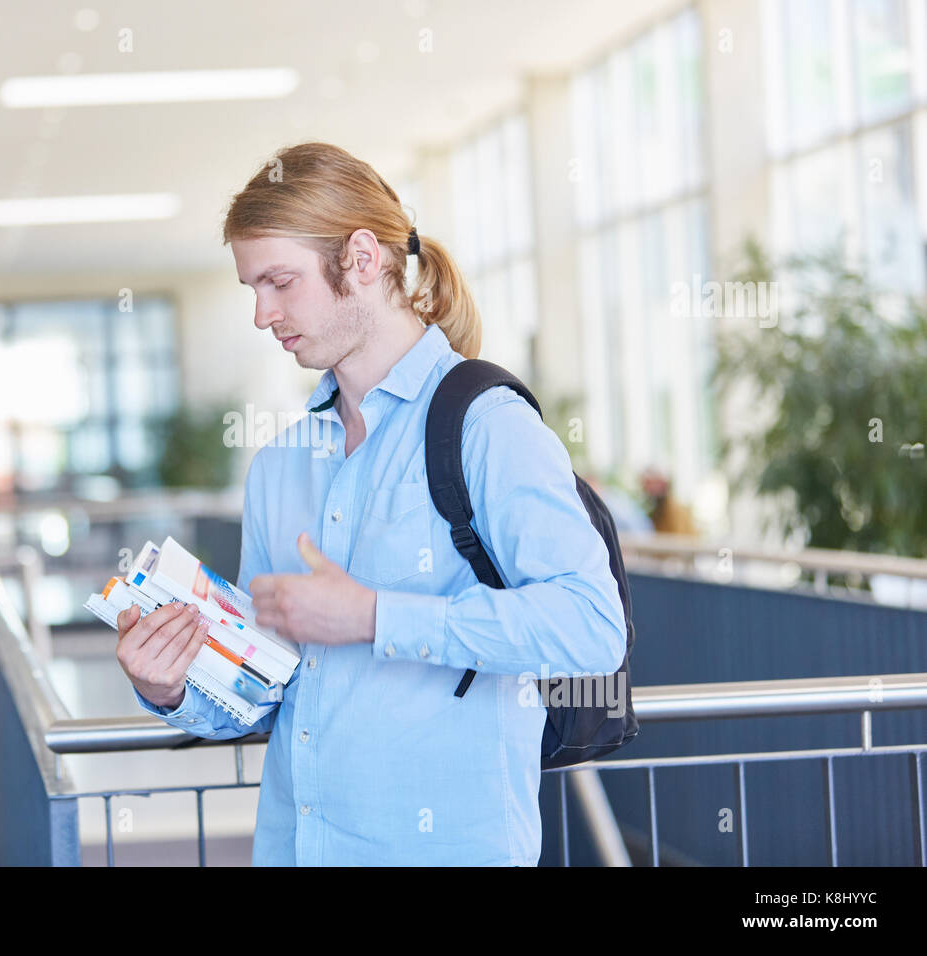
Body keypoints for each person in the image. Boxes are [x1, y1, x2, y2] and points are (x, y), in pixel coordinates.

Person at [113, 142, 626, 866]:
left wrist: (372, 617)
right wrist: (172, 685)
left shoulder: (488, 425)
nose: (263, 313)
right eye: (251, 287)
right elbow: (267, 688)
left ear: (361, 258)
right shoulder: (280, 467)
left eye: (279, 282)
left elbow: (593, 628)